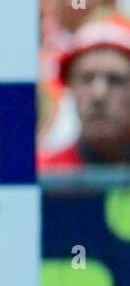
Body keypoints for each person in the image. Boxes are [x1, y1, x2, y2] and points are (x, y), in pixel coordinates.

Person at [39, 13, 130, 169]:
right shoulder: (42, 174)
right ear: (70, 87)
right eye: (86, 79)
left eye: (115, 80)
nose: (98, 94)